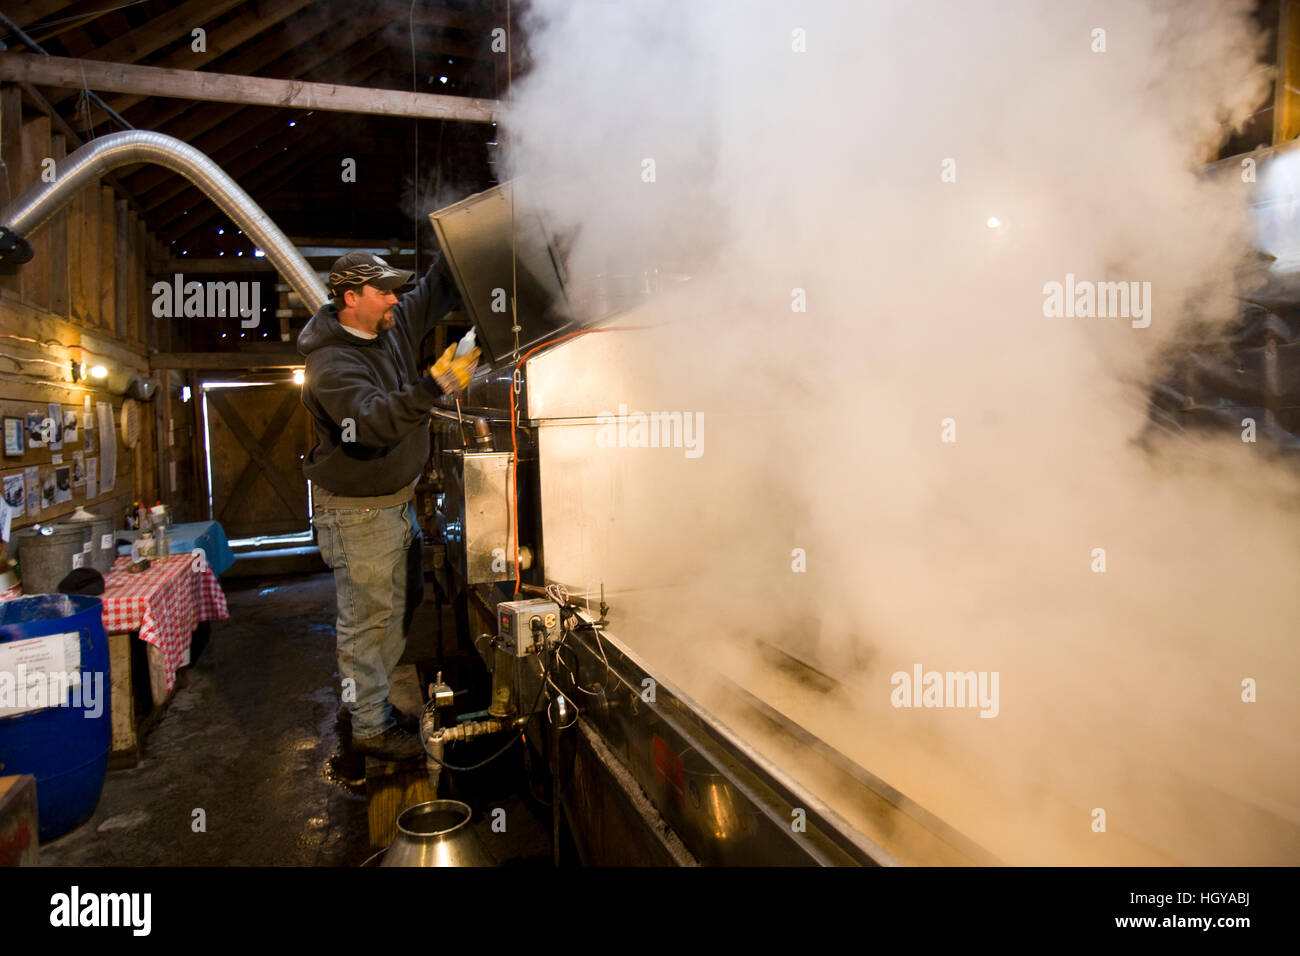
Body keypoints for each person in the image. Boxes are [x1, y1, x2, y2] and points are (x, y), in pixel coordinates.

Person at [298, 251, 479, 760]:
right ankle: (370, 731)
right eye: (384, 291)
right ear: (351, 298)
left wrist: (472, 227)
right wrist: (434, 386)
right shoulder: (330, 364)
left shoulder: (390, 325)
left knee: (399, 612)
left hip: (394, 506)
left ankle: (369, 705)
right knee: (366, 624)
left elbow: (436, 287)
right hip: (357, 513)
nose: (396, 299)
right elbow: (372, 422)